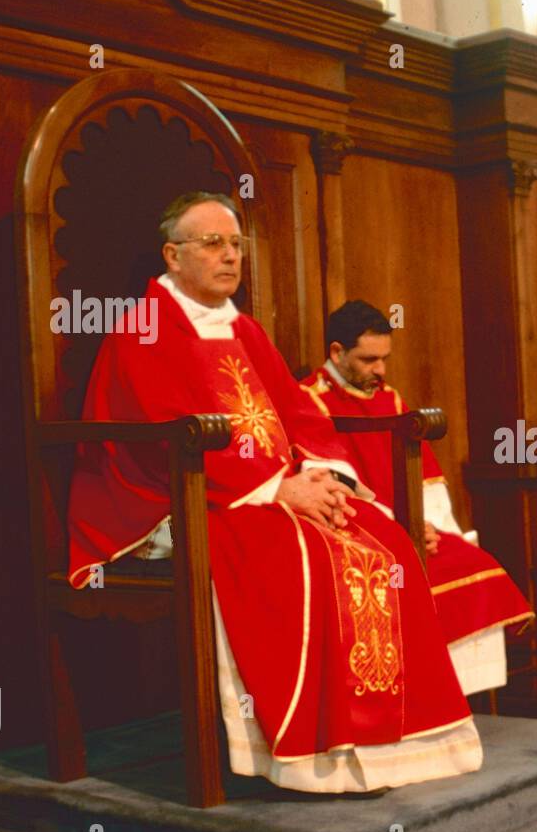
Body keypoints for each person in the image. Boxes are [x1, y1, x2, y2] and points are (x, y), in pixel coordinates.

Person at [67, 191, 481, 793]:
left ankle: (385, 743)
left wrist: (320, 474)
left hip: (261, 488)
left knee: (380, 535)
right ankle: (306, 754)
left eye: (235, 243)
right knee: (297, 553)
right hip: (173, 499)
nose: (230, 255)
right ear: (172, 255)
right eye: (212, 243)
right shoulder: (144, 329)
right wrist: (275, 489)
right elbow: (160, 436)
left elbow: (296, 411)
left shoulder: (243, 328)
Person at [299, 300, 533, 696]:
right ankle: (415, 698)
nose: (381, 370)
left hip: (408, 527)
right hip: (352, 534)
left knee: (469, 561)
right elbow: (334, 484)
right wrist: (398, 530)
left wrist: (430, 528)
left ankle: (454, 700)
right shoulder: (308, 401)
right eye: (369, 359)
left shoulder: (390, 400)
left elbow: (425, 477)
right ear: (336, 352)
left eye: (385, 358)